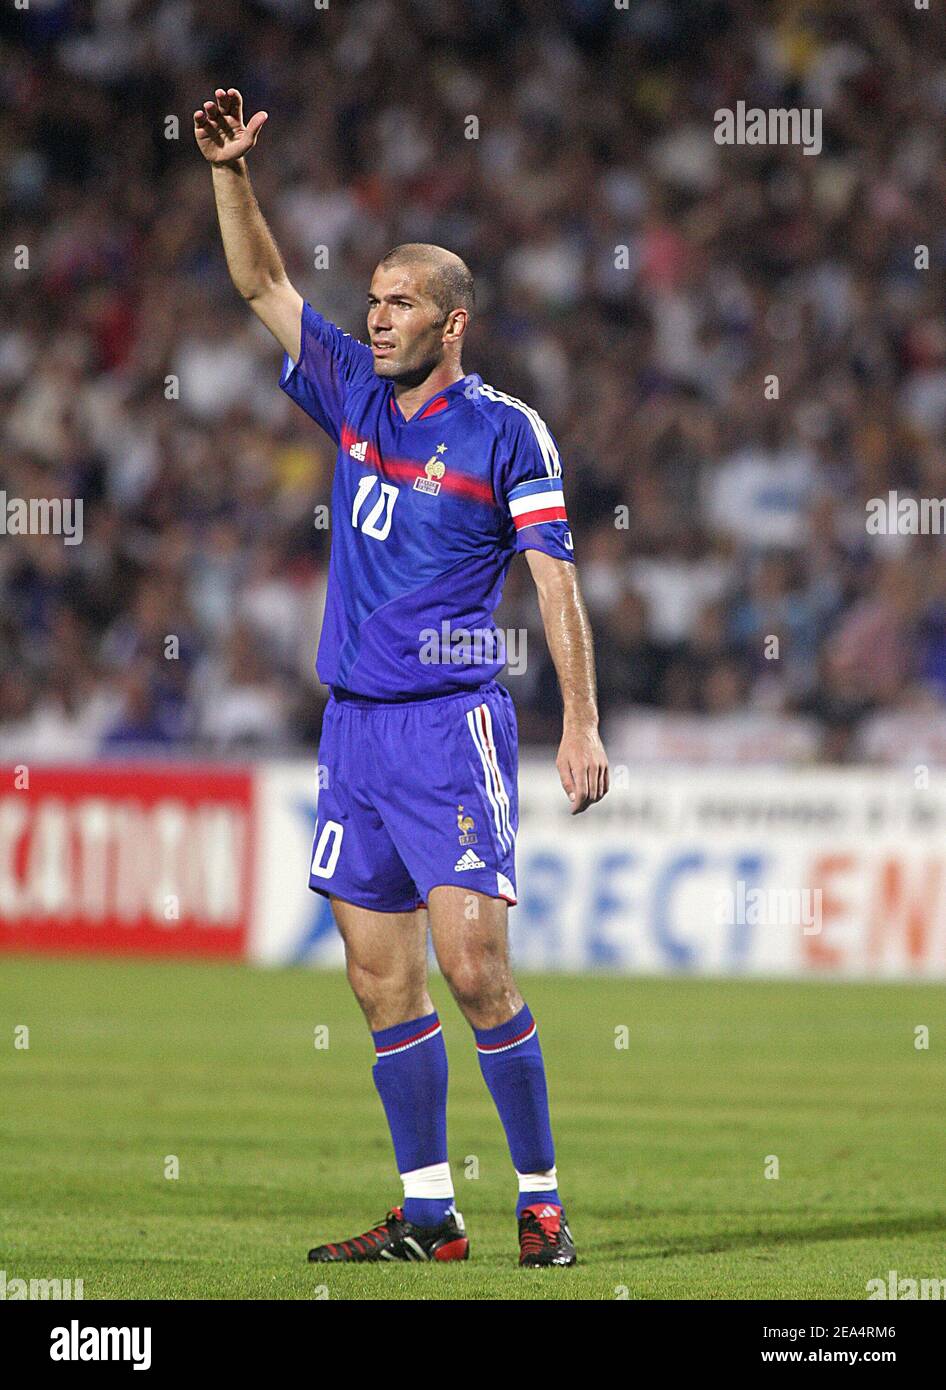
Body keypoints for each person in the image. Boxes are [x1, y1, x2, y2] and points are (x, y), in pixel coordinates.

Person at [195, 89, 609, 1268]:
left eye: (399, 303)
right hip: (353, 732)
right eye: (372, 300)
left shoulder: (506, 433)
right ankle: (430, 1215)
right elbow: (262, 285)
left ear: (452, 321)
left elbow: (555, 583)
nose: (375, 319)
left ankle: (540, 1200)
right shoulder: (351, 390)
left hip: (447, 726)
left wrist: (580, 722)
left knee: (474, 968)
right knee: (380, 982)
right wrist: (230, 174)